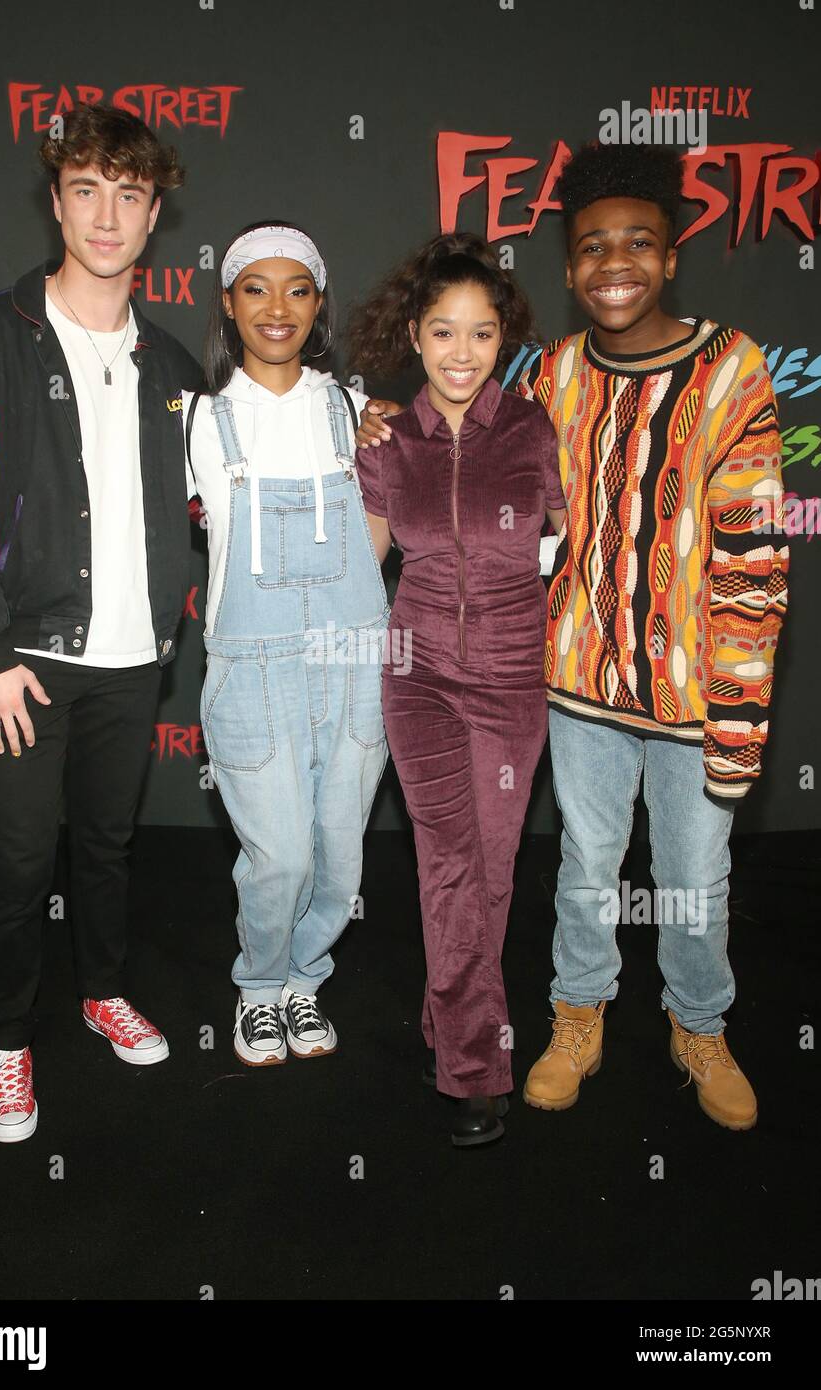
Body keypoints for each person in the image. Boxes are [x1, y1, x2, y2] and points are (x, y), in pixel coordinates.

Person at [358, 145, 789, 1132]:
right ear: (565, 268)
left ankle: (698, 1024)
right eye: (591, 245)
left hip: (683, 695)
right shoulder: (552, 378)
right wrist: (377, 426)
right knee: (582, 866)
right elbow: (439, 478)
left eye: (637, 241)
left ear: (671, 255)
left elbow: (759, 559)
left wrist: (738, 720)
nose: (614, 262)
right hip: (575, 685)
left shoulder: (731, 368)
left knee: (691, 878)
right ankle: (573, 1016)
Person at [0, 103, 203, 1142]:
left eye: (129, 193)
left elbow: (216, 498)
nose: (107, 213)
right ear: (56, 201)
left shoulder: (174, 366)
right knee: (21, 862)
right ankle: (4, 1044)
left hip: (135, 662)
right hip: (23, 662)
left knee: (109, 849)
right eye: (87, 189)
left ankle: (103, 989)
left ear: (154, 209)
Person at [349, 233, 566, 1147]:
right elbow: (365, 566)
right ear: (414, 334)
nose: (461, 353)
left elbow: (568, 549)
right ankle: (475, 1064)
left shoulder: (533, 429)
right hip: (420, 674)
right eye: (443, 333)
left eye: (481, 334)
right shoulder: (390, 438)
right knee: (448, 863)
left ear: (503, 338)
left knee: (493, 867)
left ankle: (451, 1014)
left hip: (516, 676)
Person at [184, 222, 389, 1069]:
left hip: (352, 667)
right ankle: (260, 988)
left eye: (297, 289)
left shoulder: (354, 410)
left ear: (318, 305)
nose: (278, 308)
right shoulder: (196, 418)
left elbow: (380, 535)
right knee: (280, 855)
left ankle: (306, 978)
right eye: (256, 289)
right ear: (229, 305)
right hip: (252, 671)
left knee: (340, 856)